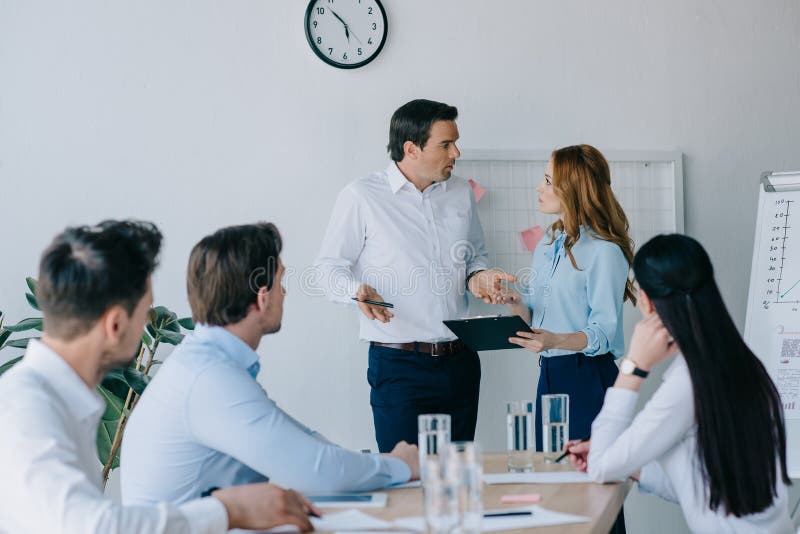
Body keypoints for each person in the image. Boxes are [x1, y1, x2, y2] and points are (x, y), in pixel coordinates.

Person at [0, 220, 317, 534]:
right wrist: (229, 510)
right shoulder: (28, 409)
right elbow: (96, 527)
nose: (146, 326)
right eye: (145, 312)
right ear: (115, 325)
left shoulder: (52, 400)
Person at [121, 222, 419, 506]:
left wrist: (375, 463)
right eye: (281, 282)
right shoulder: (208, 378)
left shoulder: (205, 364)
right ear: (262, 298)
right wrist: (400, 465)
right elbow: (316, 469)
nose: (285, 293)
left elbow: (305, 444)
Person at [314, 98, 514, 452]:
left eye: (455, 142)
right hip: (399, 367)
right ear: (411, 148)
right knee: (404, 482)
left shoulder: (461, 193)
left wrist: (479, 276)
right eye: (446, 144)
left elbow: (474, 256)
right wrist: (355, 291)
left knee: (456, 478)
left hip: (461, 363)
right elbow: (327, 268)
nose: (457, 152)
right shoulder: (361, 196)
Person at [566, 234, 793, 533]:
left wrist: (634, 366)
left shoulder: (687, 383)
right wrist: (631, 464)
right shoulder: (741, 363)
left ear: (646, 302)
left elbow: (600, 467)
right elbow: (703, 489)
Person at [506, 144, 636, 449]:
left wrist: (555, 341)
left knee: (593, 488)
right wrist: (515, 303)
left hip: (589, 378)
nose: (539, 187)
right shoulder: (547, 244)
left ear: (574, 188)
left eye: (549, 181)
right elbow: (536, 316)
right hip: (550, 376)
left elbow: (604, 333)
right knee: (550, 484)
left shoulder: (605, 251)